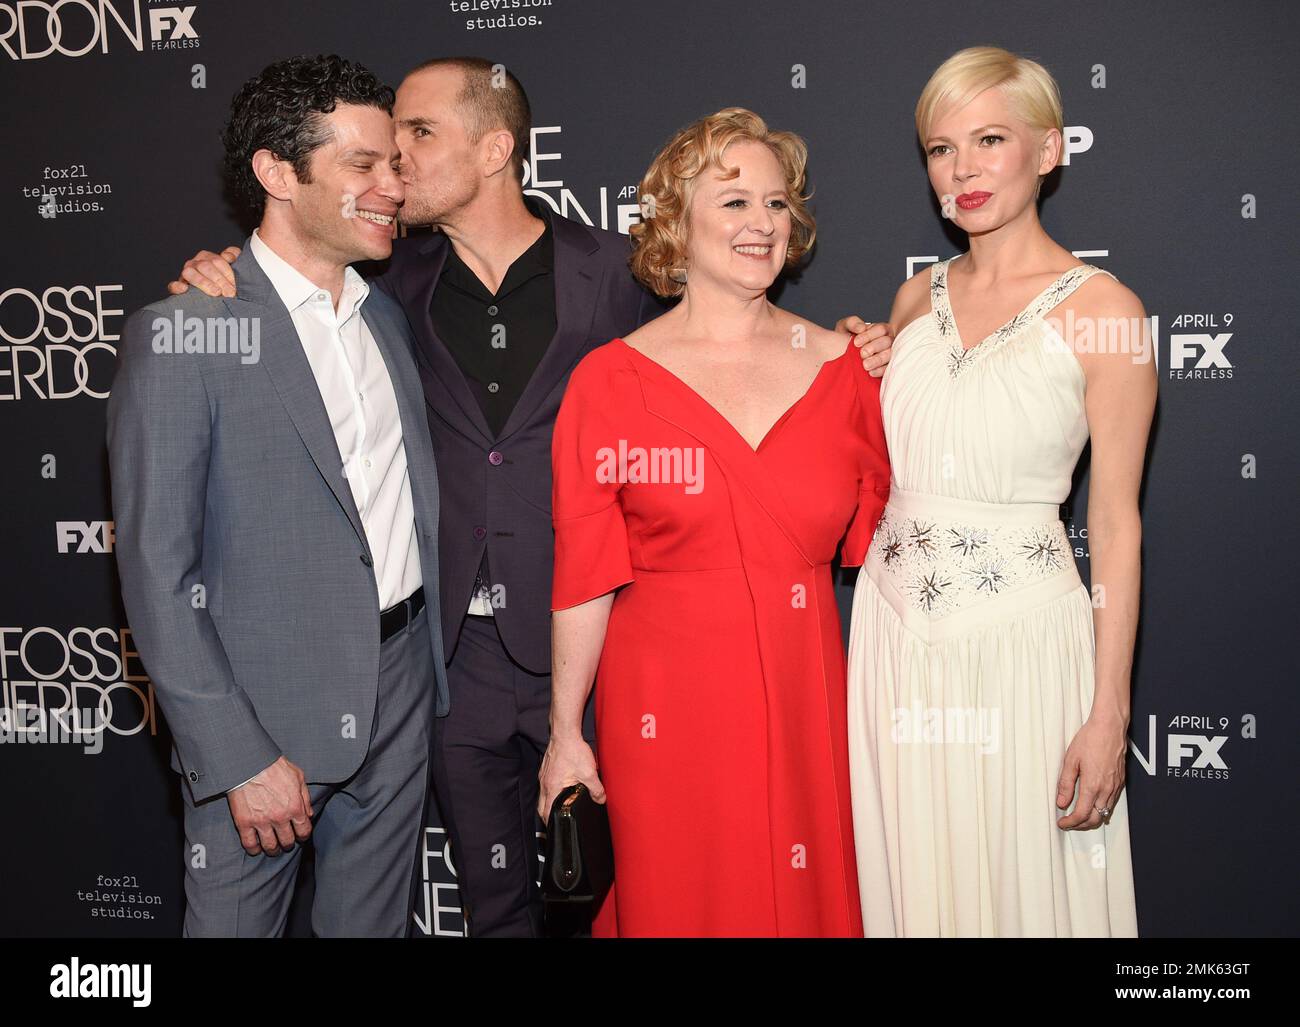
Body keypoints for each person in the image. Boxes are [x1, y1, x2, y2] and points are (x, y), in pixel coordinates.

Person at [169, 59, 899, 937]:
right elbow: (292, 272)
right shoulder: (383, 285)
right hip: (452, 661)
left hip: (599, 650)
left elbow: (736, 357)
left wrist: (864, 343)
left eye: (417, 135)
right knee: (497, 904)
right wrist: (223, 274)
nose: (395, 159)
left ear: (496, 148)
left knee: (631, 889)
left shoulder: (616, 276)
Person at [107, 55, 449, 937]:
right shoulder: (188, 331)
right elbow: (155, 572)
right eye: (362, 165)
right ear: (276, 174)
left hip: (400, 689)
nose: (391, 188)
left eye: (395, 166)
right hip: (262, 725)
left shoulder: (384, 316)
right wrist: (235, 756)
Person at [538, 108, 892, 936]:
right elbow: (585, 574)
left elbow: (898, 554)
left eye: (776, 205)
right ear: (675, 221)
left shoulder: (848, 369)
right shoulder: (609, 382)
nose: (761, 223)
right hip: (663, 701)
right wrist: (564, 731)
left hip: (808, 692)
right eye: (733, 202)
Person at [846, 46, 1151, 936]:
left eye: (989, 139)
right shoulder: (910, 299)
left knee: (1025, 892)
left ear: (1049, 149)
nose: (963, 169)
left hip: (1024, 649)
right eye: (941, 149)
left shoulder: (1109, 312)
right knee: (911, 884)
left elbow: (1118, 523)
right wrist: (848, 357)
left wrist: (1109, 709)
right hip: (895, 636)